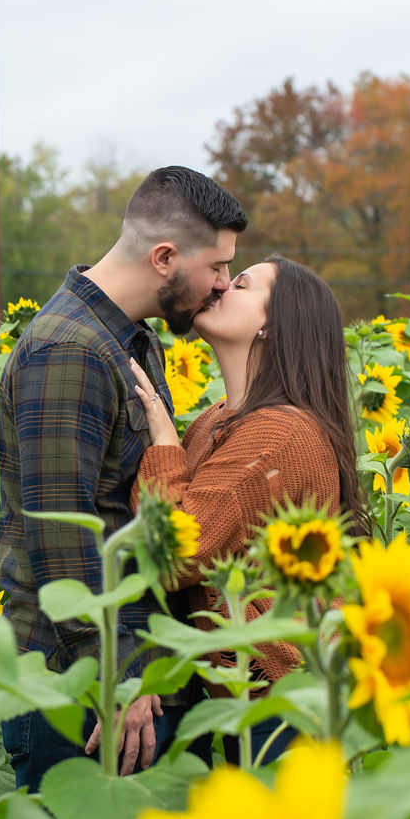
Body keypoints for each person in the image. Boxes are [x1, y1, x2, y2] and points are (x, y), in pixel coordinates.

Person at [0, 166, 248, 791]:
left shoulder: (129, 340)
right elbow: (59, 529)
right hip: (83, 682)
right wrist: (115, 671)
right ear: (164, 258)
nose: (223, 284)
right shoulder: (70, 348)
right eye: (217, 267)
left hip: (139, 663)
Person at [113, 254, 371, 765]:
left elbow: (175, 556)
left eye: (243, 284)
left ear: (272, 326)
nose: (221, 286)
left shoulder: (279, 432)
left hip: (285, 697)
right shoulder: (217, 420)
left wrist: (163, 443)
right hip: (247, 695)